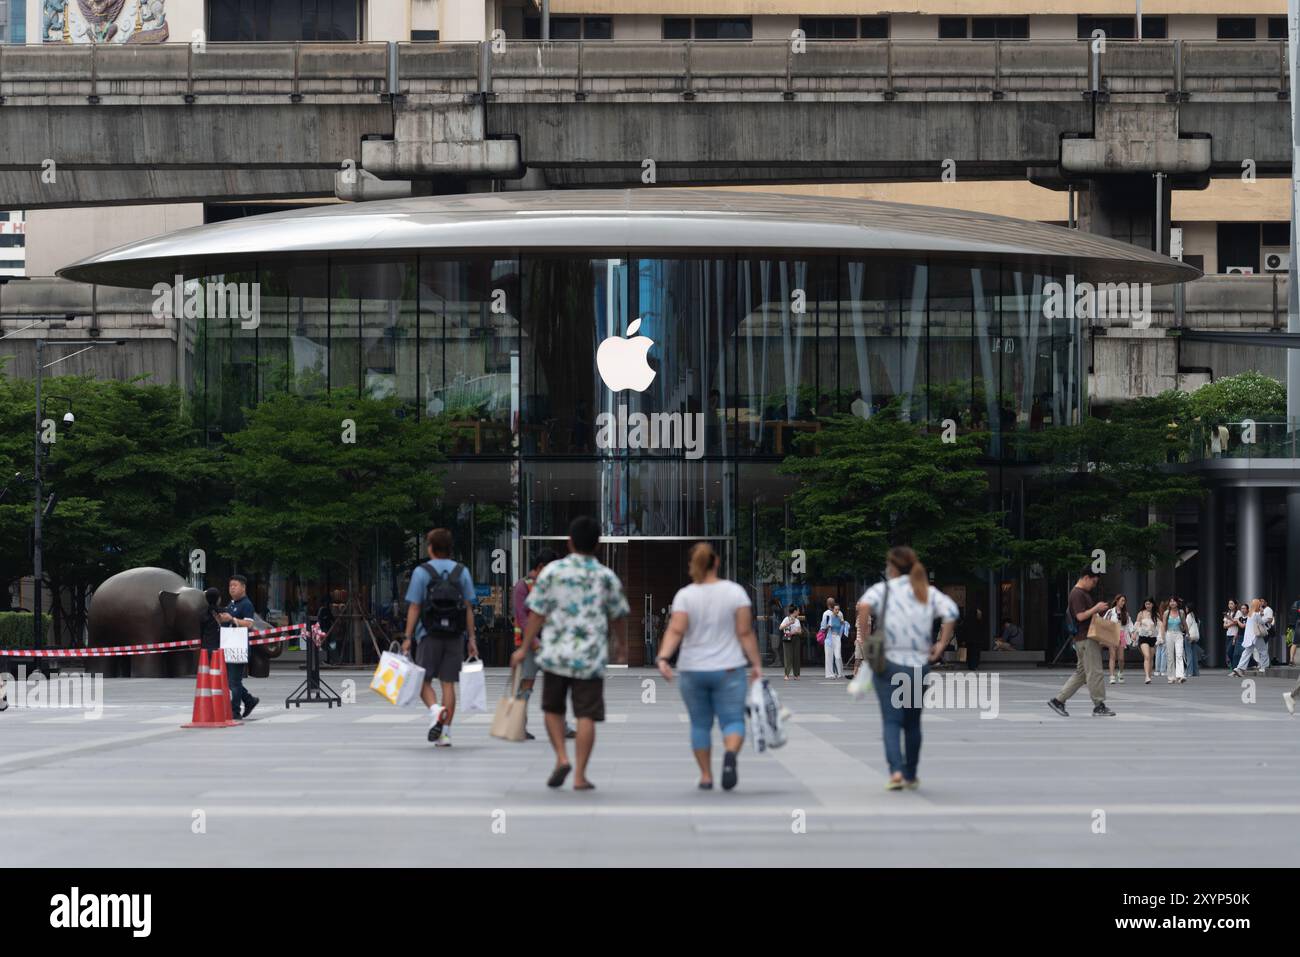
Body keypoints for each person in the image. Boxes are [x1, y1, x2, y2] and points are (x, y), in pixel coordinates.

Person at [511, 515, 629, 791]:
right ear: (598, 544)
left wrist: (524, 648)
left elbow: (536, 614)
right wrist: (622, 646)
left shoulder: (552, 573)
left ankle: (562, 758)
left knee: (552, 708)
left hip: (555, 654)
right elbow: (619, 616)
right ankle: (580, 776)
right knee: (586, 715)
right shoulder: (606, 576)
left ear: (570, 542)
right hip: (590, 657)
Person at [655, 542, 763, 790]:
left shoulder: (685, 595)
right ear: (716, 562)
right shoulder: (735, 592)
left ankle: (705, 776)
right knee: (733, 719)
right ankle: (730, 756)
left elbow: (676, 629)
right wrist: (756, 663)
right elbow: (745, 632)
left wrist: (662, 658)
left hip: (692, 669)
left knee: (700, 724)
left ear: (693, 566)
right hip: (729, 668)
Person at [850, 546, 958, 790]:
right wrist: (941, 644)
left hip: (888, 664)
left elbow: (863, 607)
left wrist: (867, 641)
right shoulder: (926, 591)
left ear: (892, 567)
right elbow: (951, 611)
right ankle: (910, 774)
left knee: (891, 721)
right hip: (918, 665)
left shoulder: (882, 590)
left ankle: (895, 772)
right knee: (912, 723)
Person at [402, 528, 478, 748]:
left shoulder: (422, 572)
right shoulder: (461, 571)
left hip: (428, 635)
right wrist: (471, 638)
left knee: (422, 681)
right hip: (455, 636)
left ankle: (435, 711)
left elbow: (415, 607)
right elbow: (468, 608)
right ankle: (445, 734)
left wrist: (407, 636)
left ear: (431, 548)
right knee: (448, 685)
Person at [511, 548, 572, 741]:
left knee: (558, 685)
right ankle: (518, 726)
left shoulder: (551, 585)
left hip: (551, 644)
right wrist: (535, 643)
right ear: (540, 567)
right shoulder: (522, 586)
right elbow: (521, 617)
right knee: (526, 684)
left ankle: (563, 727)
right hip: (529, 646)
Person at [1047, 570, 1115, 717]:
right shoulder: (1077, 594)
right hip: (1086, 638)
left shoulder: (1079, 593)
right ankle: (1099, 705)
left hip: (1083, 638)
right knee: (1095, 671)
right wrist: (1096, 608)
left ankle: (1058, 701)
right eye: (1093, 582)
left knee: (1082, 673)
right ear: (1086, 578)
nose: (1093, 585)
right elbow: (1080, 616)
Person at [218, 575, 260, 720]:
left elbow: (249, 624)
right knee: (231, 680)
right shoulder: (231, 604)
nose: (232, 588)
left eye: (235, 585)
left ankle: (235, 711)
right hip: (228, 645)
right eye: (230, 586)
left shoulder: (246, 604)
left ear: (243, 587)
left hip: (238, 647)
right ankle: (249, 700)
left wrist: (232, 619)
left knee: (234, 681)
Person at [1231, 598, 1270, 677]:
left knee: (1246, 653)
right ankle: (1264, 667)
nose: (1260, 606)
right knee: (1263, 651)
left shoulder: (1250, 614)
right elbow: (1262, 622)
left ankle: (1239, 668)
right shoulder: (1256, 614)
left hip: (1249, 637)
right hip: (1256, 636)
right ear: (1257, 605)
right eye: (1259, 605)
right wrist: (1266, 617)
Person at [1159, 595, 1187, 684]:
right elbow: (1163, 625)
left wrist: (1188, 633)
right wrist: (1162, 637)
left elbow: (1184, 624)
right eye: (1171, 601)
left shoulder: (1181, 612)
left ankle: (1180, 675)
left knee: (1179, 654)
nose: (1172, 603)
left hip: (1178, 634)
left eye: (1174, 601)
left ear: (1177, 602)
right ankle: (1171, 676)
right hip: (1169, 634)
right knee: (1170, 656)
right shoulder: (1166, 613)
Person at [1104, 595, 1131, 684]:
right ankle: (1112, 676)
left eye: (1124, 601)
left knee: (1121, 658)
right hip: (1112, 635)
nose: (1123, 603)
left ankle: (1120, 672)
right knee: (1112, 656)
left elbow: (1129, 624)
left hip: (1122, 635)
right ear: (1117, 601)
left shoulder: (1125, 613)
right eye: (1122, 600)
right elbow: (1104, 622)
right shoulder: (1110, 612)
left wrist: (1133, 633)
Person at [1135, 597, 1158, 684]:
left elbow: (1159, 625)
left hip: (1152, 638)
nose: (1147, 605)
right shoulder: (1141, 613)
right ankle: (1147, 676)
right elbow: (1137, 625)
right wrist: (1134, 634)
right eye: (1146, 604)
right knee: (1147, 656)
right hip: (1143, 637)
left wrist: (1161, 636)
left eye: (1149, 604)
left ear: (1152, 604)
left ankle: (1149, 675)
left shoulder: (1155, 614)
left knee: (1151, 658)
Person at [820, 597, 842, 679]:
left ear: (827, 604)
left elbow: (822, 627)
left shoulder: (826, 614)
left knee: (830, 656)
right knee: (835, 655)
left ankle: (831, 673)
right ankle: (836, 673)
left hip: (830, 637)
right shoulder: (839, 613)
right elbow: (842, 627)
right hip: (834, 636)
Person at [778, 604, 803, 679]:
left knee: (796, 656)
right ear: (794, 611)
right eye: (798, 610)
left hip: (796, 638)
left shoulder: (797, 620)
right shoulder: (786, 619)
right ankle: (787, 674)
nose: (799, 612)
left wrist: (796, 632)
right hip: (787, 638)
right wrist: (790, 623)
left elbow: (800, 631)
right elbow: (780, 628)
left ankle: (796, 674)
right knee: (788, 656)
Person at [1223, 600, 1243, 673]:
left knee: (1232, 652)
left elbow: (1237, 623)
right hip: (1228, 634)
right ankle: (1233, 668)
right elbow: (1224, 626)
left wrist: (1230, 619)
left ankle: (1235, 668)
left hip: (1235, 634)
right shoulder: (1228, 613)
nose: (1230, 605)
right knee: (1229, 652)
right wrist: (1231, 622)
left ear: (1235, 605)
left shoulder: (1238, 612)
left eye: (1232, 603)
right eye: (1229, 604)